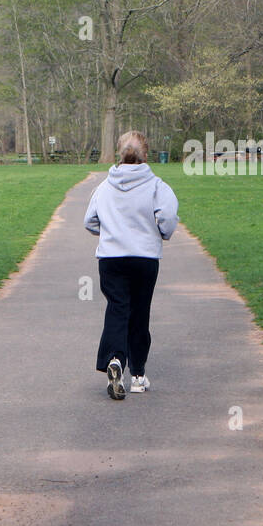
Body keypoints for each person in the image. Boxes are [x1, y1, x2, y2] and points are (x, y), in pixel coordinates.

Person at [84, 130, 179, 400]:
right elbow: (169, 218)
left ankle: (115, 359)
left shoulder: (104, 186)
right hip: (144, 257)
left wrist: (109, 232)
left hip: (111, 258)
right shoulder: (157, 186)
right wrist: (160, 233)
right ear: (145, 154)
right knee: (140, 312)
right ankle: (137, 374)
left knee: (117, 309)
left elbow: (89, 221)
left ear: (119, 153)